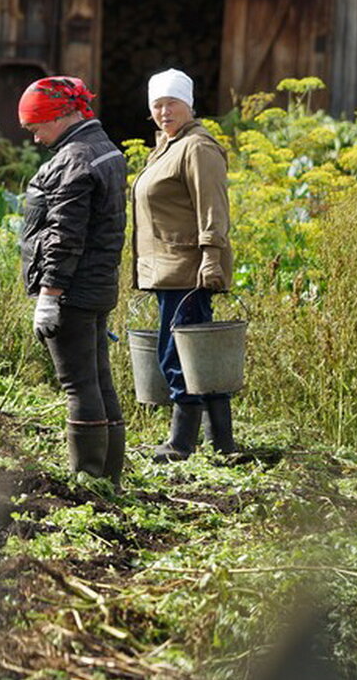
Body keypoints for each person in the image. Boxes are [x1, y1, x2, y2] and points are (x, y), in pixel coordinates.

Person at [18, 77, 128, 485]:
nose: (35, 138)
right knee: (99, 378)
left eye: (35, 128)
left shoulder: (74, 158)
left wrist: (49, 295)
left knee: (78, 384)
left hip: (73, 290)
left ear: (59, 116)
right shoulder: (104, 150)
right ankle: (110, 476)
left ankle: (88, 477)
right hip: (98, 283)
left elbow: (66, 235)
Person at [132, 68, 234, 461]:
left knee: (180, 352)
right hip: (167, 268)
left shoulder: (197, 147)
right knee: (192, 352)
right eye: (157, 104)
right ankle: (219, 443)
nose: (163, 110)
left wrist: (211, 259)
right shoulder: (167, 145)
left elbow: (213, 208)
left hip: (187, 268)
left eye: (171, 102)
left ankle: (182, 443)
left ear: (188, 104)